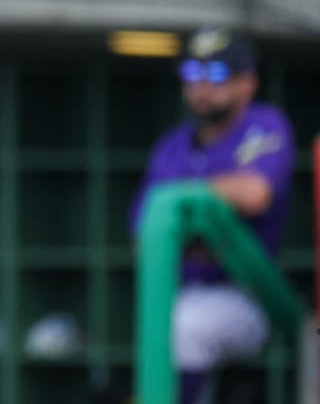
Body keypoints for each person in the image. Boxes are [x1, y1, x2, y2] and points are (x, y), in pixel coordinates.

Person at [129, 25, 295, 404]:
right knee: (177, 321)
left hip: (249, 295)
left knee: (187, 326)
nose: (202, 86)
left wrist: (196, 199)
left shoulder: (264, 126)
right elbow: (141, 238)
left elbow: (255, 194)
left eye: (217, 75)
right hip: (183, 291)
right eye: (192, 74)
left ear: (247, 83)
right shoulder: (172, 146)